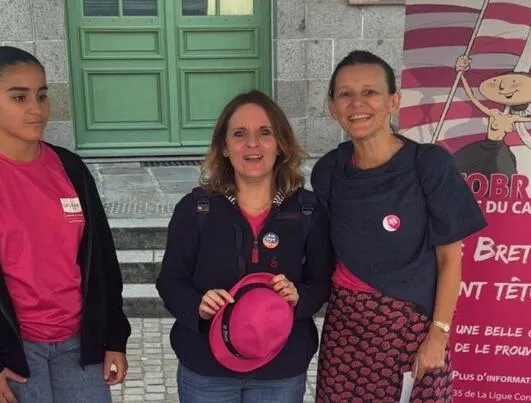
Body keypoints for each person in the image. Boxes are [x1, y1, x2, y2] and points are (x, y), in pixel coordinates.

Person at [0, 46, 131, 403]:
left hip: (79, 346)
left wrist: (114, 337)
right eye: (19, 97)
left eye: (42, 95)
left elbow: (102, 263)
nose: (36, 108)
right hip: (11, 354)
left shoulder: (71, 170)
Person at [311, 50, 488, 401]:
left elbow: (450, 259)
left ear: (394, 101)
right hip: (346, 330)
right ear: (332, 107)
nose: (357, 103)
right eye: (345, 94)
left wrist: (437, 335)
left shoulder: (429, 164)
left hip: (411, 329)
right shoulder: (328, 171)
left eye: (370, 92)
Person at [155, 89, 335, 402]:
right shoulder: (197, 209)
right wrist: (197, 305)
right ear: (224, 147)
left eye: (264, 132)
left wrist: (299, 296)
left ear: (280, 144)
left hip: (280, 370)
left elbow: (320, 283)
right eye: (239, 134)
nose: (252, 144)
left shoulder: (307, 209)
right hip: (206, 369)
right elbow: (170, 281)